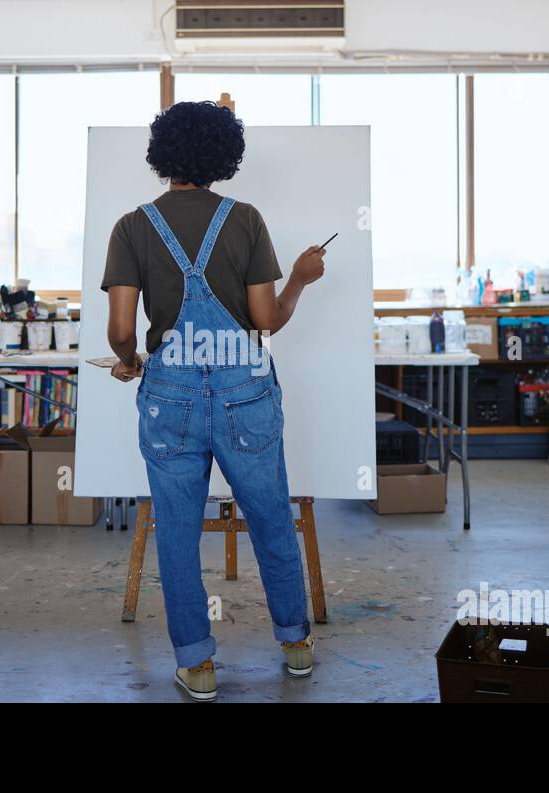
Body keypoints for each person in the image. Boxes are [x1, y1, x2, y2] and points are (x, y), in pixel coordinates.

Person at [100, 100, 326, 701]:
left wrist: (129, 362)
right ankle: (295, 645)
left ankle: (197, 665)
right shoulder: (245, 219)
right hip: (244, 393)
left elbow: (121, 328)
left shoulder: (132, 226)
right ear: (224, 156)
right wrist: (300, 277)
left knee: (175, 530)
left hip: (168, 397)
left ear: (161, 155)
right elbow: (264, 322)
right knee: (272, 516)